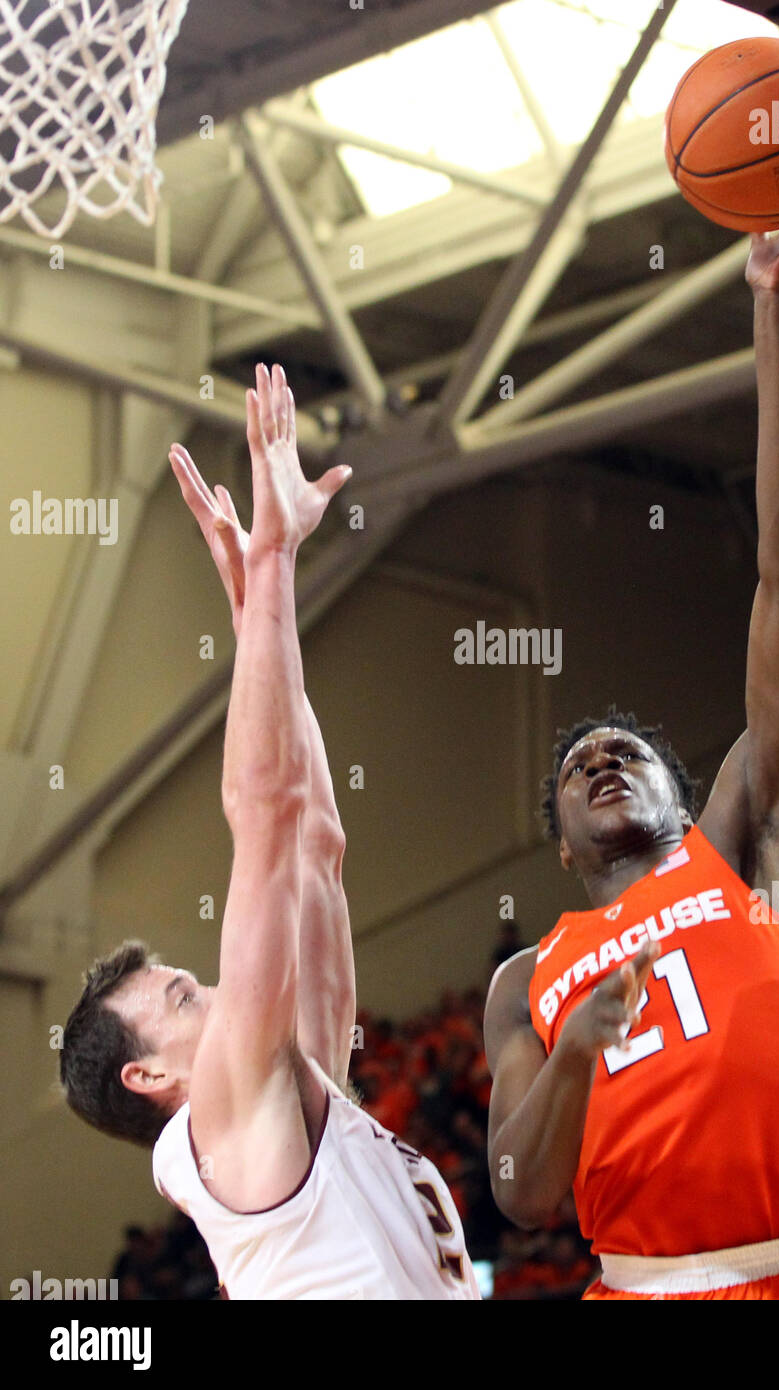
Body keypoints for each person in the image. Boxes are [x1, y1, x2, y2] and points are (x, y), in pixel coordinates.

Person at [484, 160, 779, 1300]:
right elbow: (520, 1192)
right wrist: (570, 1053)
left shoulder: (756, 839)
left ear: (681, 787)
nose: (602, 757)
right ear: (562, 847)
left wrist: (774, 312)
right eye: (576, 764)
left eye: (626, 749)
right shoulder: (529, 978)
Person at [60, 364, 478, 1301]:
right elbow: (265, 820)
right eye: (179, 997)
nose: (209, 989)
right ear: (147, 1076)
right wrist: (274, 561)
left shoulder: (299, 1097)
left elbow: (314, 841)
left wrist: (258, 621)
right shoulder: (227, 1113)